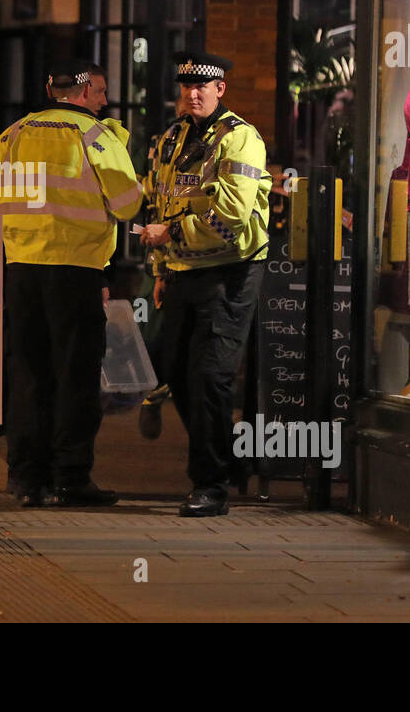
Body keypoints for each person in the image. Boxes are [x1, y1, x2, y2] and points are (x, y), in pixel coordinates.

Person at [0, 62, 143, 507]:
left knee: (28, 373)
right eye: (100, 92)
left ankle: (26, 479)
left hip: (22, 269)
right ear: (82, 91)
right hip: (75, 268)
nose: (104, 101)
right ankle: (70, 478)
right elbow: (126, 204)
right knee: (75, 376)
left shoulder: (17, 132)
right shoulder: (95, 136)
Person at [141, 52, 271, 516]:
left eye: (203, 87)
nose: (193, 94)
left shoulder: (240, 139)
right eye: (186, 87)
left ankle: (210, 484)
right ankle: (223, 461)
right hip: (181, 272)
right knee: (175, 369)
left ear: (221, 90)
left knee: (211, 376)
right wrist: (160, 266)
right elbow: (158, 201)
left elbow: (232, 216)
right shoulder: (172, 138)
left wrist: (170, 234)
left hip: (230, 270)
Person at [137, 86, 192, 440]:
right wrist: (158, 266)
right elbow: (154, 195)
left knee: (181, 343)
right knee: (151, 334)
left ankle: (158, 393)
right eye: (185, 100)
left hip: (196, 258)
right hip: (164, 255)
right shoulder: (165, 142)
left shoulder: (224, 139)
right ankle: (151, 393)